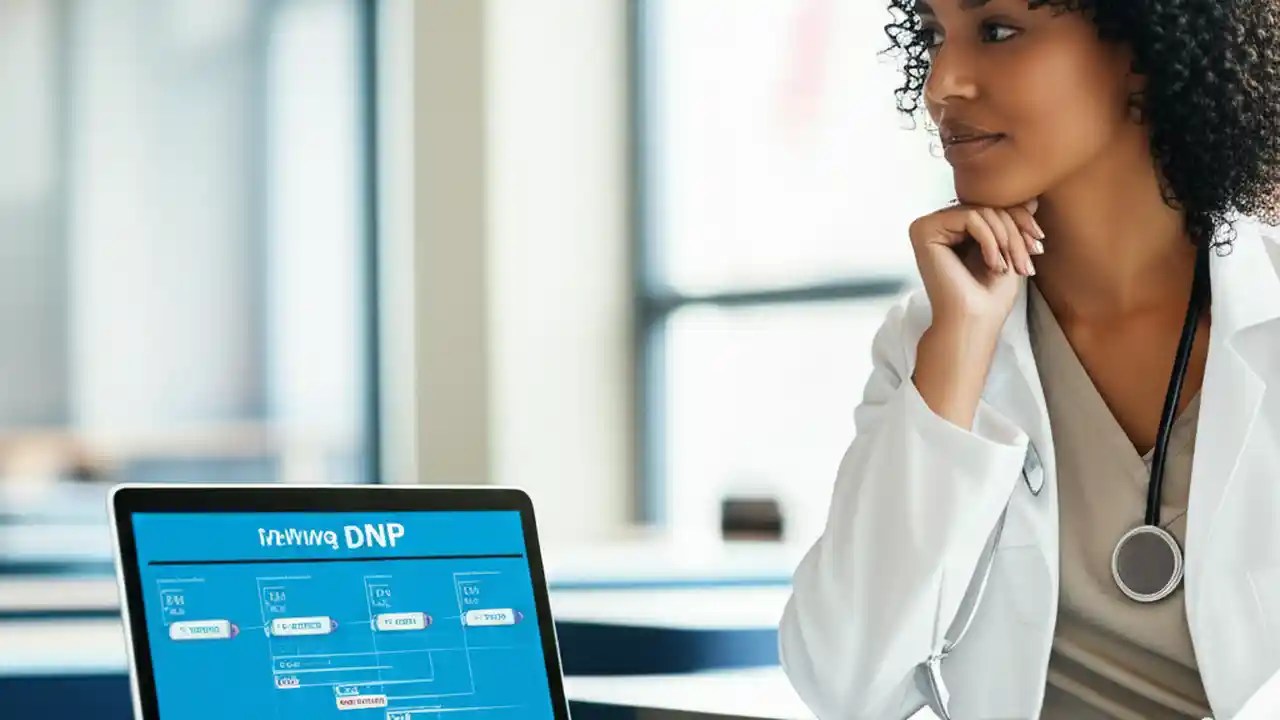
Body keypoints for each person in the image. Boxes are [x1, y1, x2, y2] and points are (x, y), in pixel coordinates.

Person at [778, 0, 1280, 717]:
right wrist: (959, 351)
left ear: (1141, 50)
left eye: (998, 31)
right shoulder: (935, 337)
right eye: (932, 36)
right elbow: (843, 684)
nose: (943, 83)